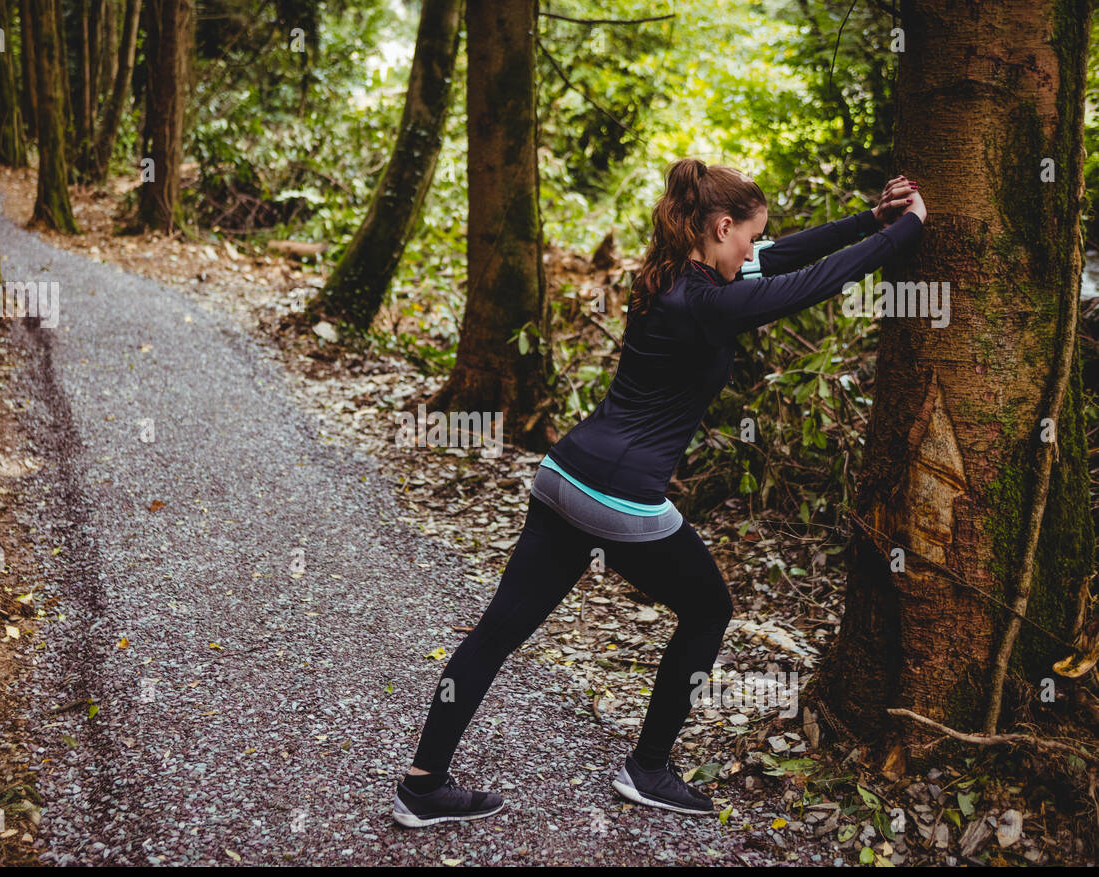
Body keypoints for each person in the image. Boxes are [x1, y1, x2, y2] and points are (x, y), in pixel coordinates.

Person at [392, 158, 927, 828]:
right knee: (708, 609)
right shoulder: (711, 302)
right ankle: (647, 769)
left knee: (499, 629)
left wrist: (870, 220)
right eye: (746, 239)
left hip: (563, 475)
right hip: (619, 497)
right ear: (720, 225)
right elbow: (815, 282)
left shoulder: (671, 273)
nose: (752, 254)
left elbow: (784, 257)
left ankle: (422, 784)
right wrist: (906, 233)